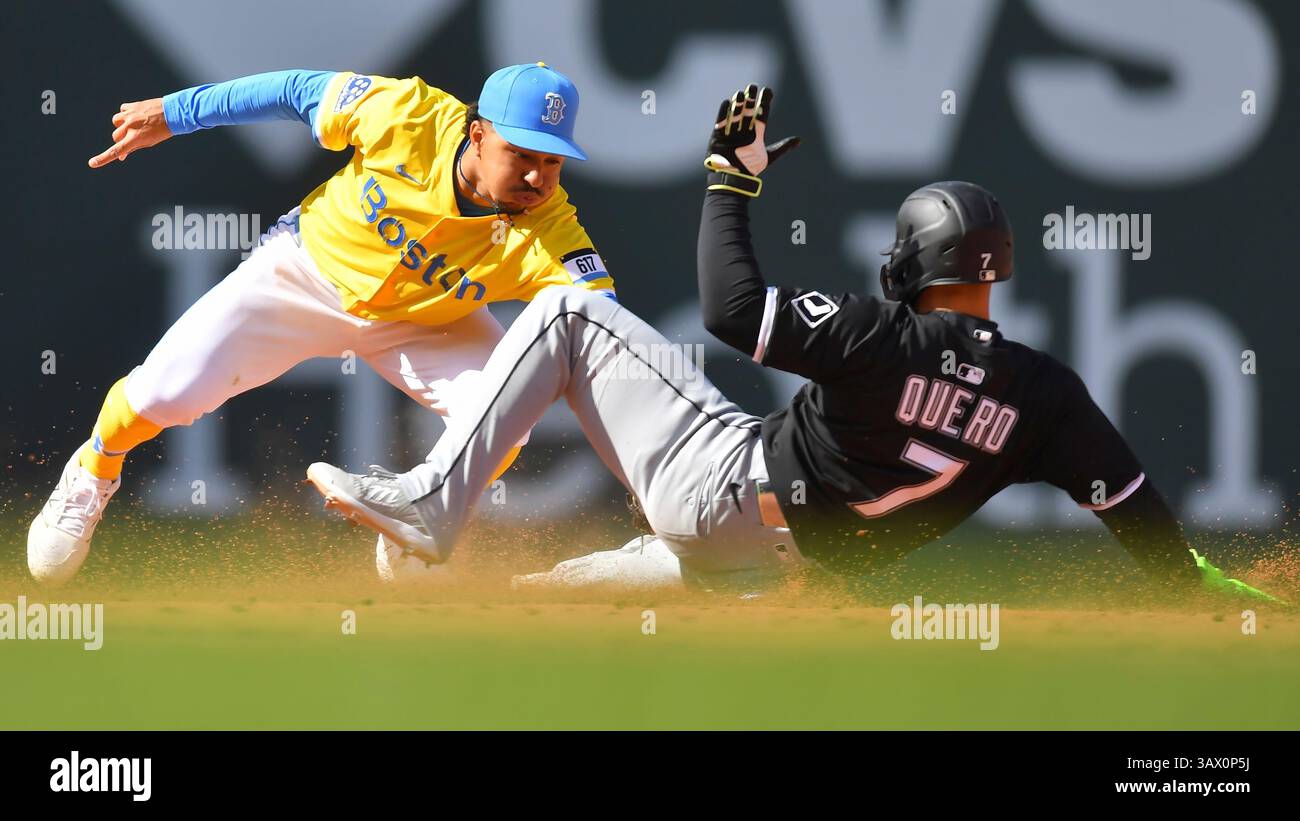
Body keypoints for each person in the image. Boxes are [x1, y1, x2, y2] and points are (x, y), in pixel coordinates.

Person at [304, 84, 1281, 604]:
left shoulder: (880, 333)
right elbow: (1138, 509)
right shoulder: (1045, 394)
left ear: (914, 258)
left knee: (565, 316)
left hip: (725, 489)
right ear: (993, 270)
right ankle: (494, 601)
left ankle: (432, 503)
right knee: (627, 577)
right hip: (783, 573)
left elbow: (731, 310)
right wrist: (1197, 590)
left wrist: (730, 180)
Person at [28, 63, 617, 587]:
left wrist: (660, 453)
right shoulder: (406, 114)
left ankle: (420, 512)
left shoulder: (554, 234)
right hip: (304, 272)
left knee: (508, 414)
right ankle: (91, 472)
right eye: (523, 154)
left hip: (425, 321)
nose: (538, 179)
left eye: (552, 161)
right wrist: (177, 115)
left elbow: (608, 336)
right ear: (478, 133)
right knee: (163, 393)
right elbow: (292, 90)